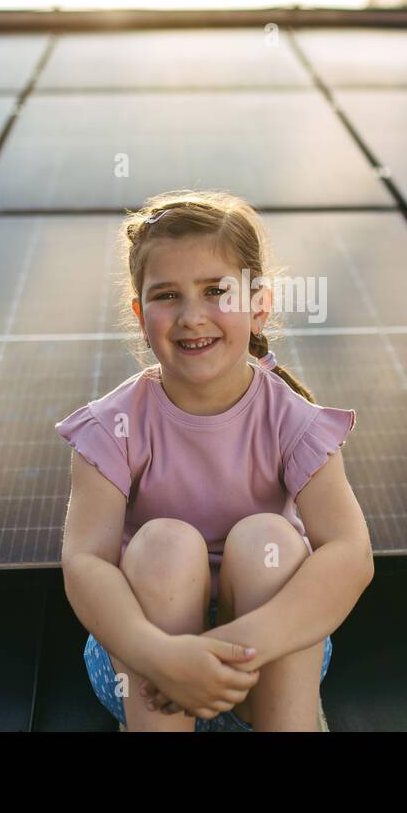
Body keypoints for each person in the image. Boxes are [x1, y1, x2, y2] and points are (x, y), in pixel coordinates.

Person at [57, 189, 373, 731]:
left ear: (258, 305)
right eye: (167, 296)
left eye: (215, 291)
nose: (192, 316)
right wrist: (160, 654)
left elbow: (350, 554)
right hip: (145, 672)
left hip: (266, 664)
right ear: (140, 314)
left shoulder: (292, 419)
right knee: (162, 544)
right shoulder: (113, 426)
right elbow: (84, 563)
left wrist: (232, 649)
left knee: (269, 540)